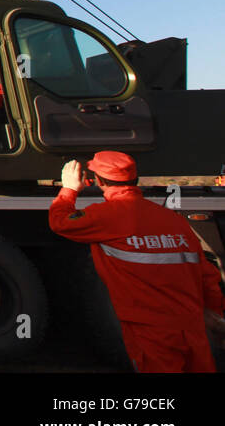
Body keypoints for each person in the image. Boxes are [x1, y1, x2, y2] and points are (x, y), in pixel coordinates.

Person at [49, 151, 225, 372]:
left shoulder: (105, 217)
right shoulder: (173, 220)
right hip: (192, 328)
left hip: (150, 330)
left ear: (98, 181)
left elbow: (60, 222)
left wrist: (69, 189)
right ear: (136, 179)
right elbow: (207, 274)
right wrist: (215, 315)